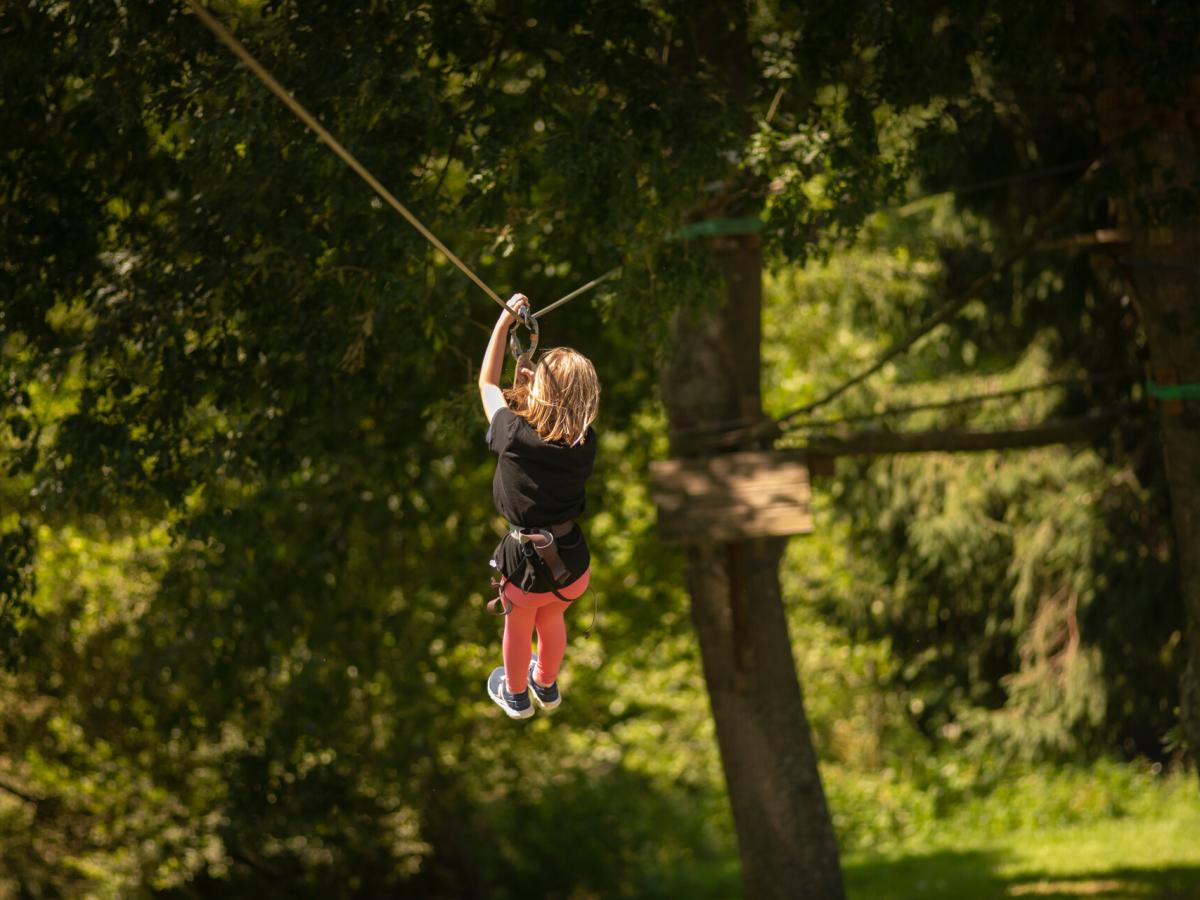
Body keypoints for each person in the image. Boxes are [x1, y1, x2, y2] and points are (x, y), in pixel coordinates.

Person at [479, 294, 599, 719]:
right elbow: (545, 416)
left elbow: (488, 386)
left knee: (519, 624)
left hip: (524, 566)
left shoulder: (511, 435)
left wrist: (501, 325)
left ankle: (515, 694)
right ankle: (545, 684)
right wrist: (530, 382)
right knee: (552, 620)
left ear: (540, 392)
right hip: (571, 565)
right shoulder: (584, 442)